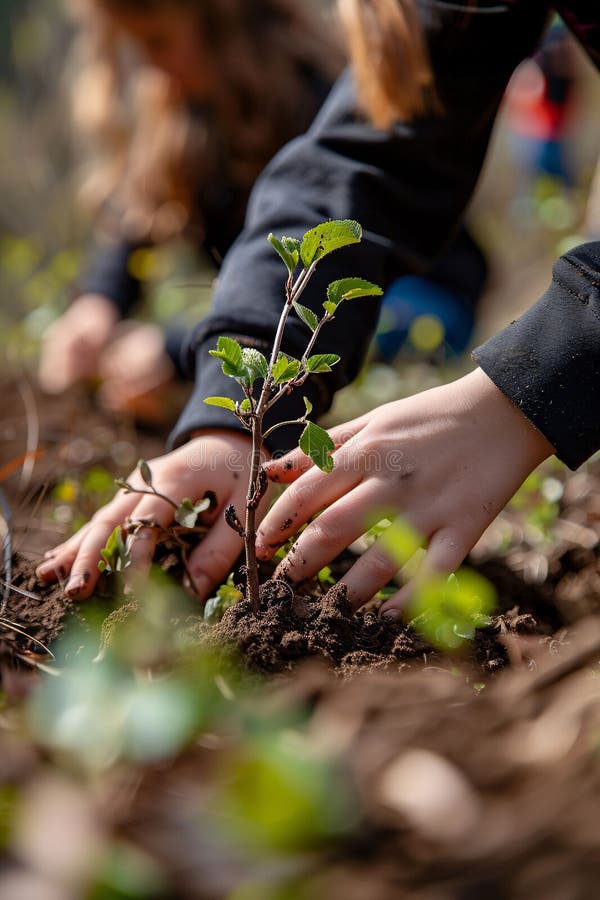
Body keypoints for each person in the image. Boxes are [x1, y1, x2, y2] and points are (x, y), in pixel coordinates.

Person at [38, 0, 600, 621]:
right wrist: (232, 415)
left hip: (423, 301)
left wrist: (521, 394)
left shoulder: (295, 88)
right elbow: (361, 165)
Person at [38, 0, 341, 414]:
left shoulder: (318, 110)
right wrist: (97, 306)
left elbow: (320, 301)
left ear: (218, 25)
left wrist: (178, 351)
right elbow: (138, 222)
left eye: (159, 42)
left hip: (402, 312)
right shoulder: (191, 115)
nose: (150, 66)